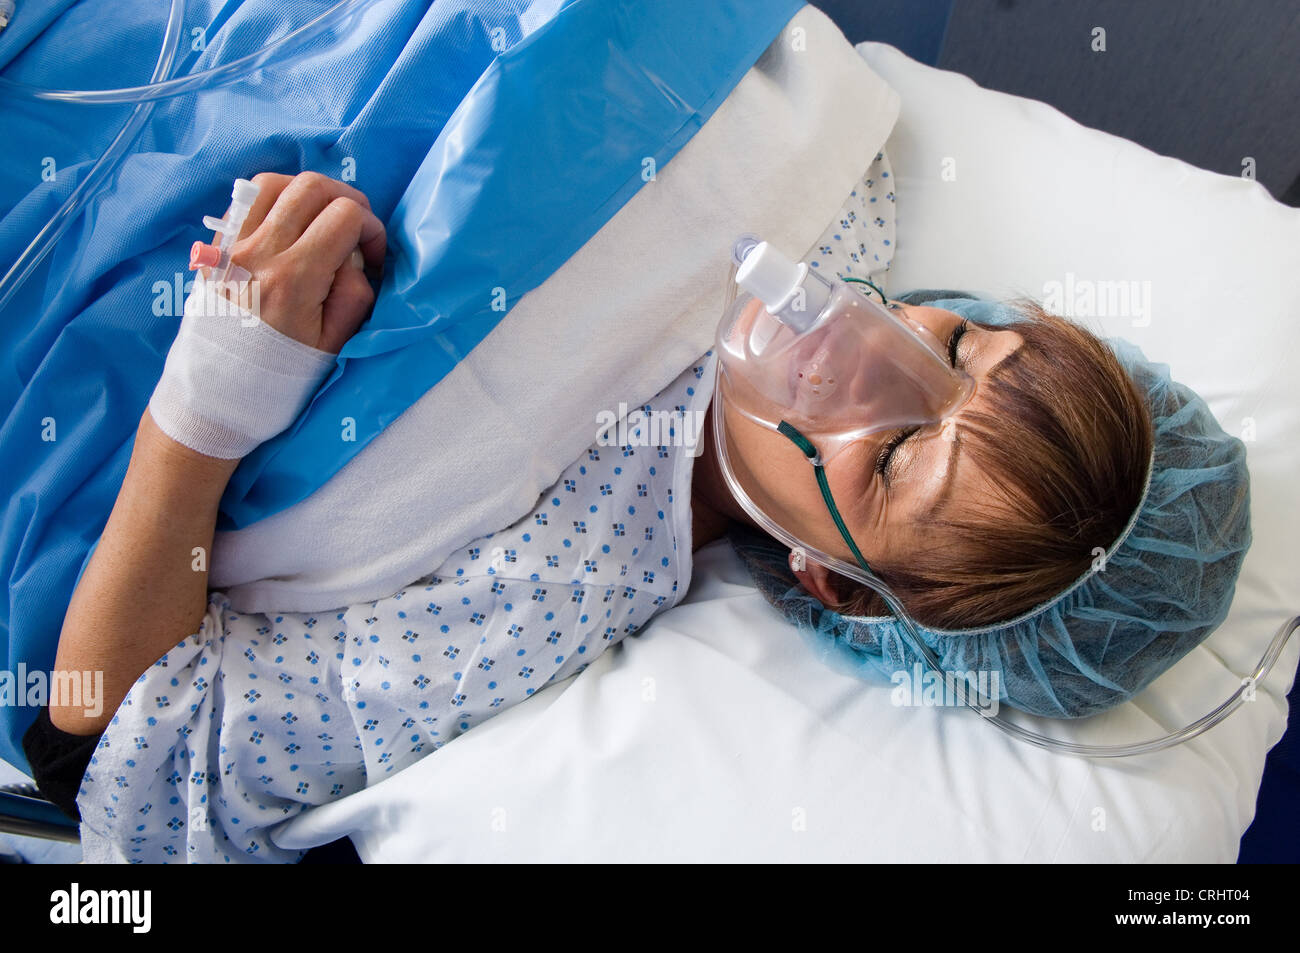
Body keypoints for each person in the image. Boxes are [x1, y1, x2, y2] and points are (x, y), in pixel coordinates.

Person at [23, 150, 1249, 861]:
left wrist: (210, 401)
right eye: (970, 344)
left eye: (890, 455)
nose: (870, 342)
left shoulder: (547, 591)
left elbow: (115, 751)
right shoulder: (833, 182)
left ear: (830, 580)